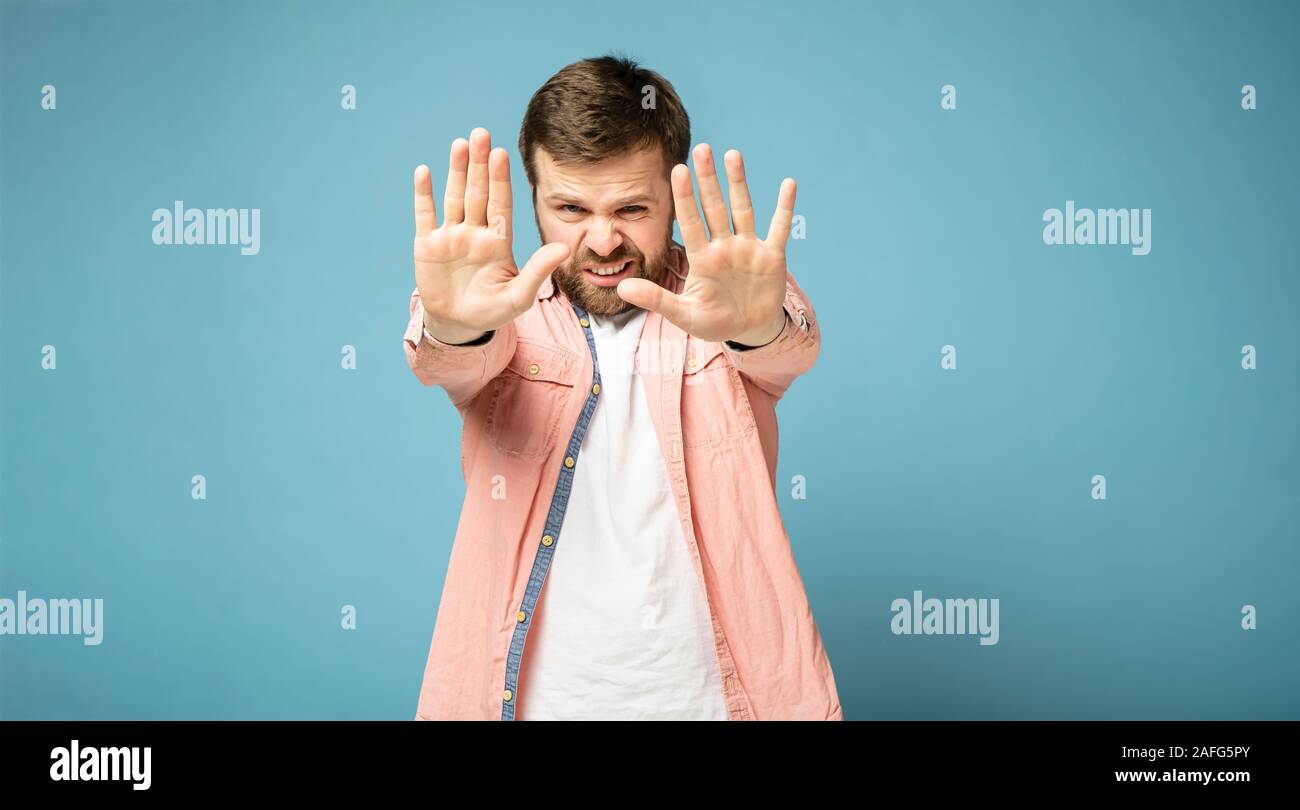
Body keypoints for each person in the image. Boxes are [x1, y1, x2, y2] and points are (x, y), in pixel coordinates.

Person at [404, 55, 841, 720]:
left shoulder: (723, 301)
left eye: (632, 208)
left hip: (719, 702)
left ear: (673, 195)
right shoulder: (499, 316)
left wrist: (757, 326)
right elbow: (452, 361)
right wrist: (454, 327)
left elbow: (784, 350)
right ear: (532, 199)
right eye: (570, 208)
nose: (603, 240)